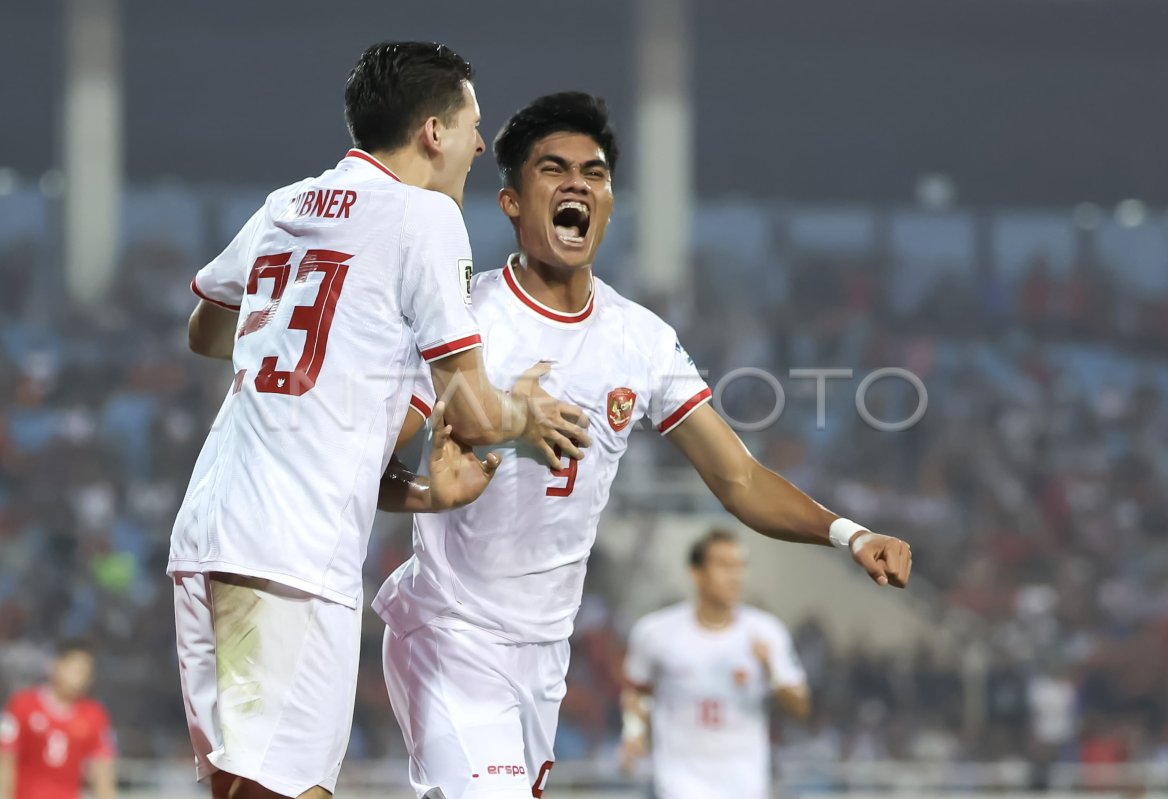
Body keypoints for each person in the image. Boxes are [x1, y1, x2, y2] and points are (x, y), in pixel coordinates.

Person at [373, 91, 913, 799]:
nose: (576, 184)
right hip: (450, 630)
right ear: (510, 200)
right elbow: (365, 463)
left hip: (543, 651)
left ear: (609, 201)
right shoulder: (464, 321)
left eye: (593, 173)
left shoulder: (642, 340)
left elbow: (740, 479)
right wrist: (424, 495)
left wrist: (850, 532)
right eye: (553, 169)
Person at [170, 42, 590, 799]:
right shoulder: (421, 216)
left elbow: (204, 331)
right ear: (434, 131)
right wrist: (531, 416)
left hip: (208, 533)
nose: (477, 149)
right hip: (291, 556)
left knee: (242, 789)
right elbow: (469, 401)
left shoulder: (288, 204)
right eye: (473, 127)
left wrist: (424, 488)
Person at [621, 529, 810, 799]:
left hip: (745, 782)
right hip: (678, 780)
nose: (736, 576)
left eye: (740, 566)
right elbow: (637, 689)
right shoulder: (656, 632)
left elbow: (800, 707)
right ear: (696, 573)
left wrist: (771, 669)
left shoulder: (766, 633)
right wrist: (634, 732)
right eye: (724, 566)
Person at [0, 640, 116, 799]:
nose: (79, 679)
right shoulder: (22, 705)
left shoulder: (95, 715)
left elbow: (103, 773)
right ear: (56, 666)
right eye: (75, 670)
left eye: (85, 673)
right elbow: (6, 762)